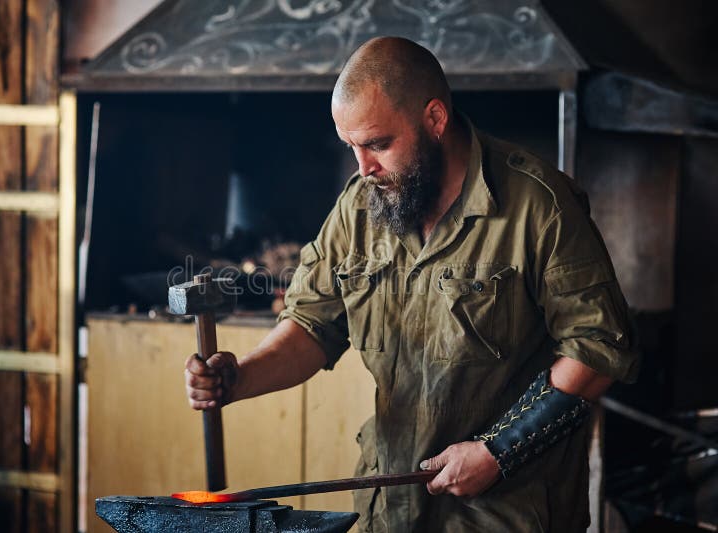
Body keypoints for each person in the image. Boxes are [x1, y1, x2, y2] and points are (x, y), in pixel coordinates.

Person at [185, 37, 639, 532]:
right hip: (390, 505)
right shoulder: (360, 206)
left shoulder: (538, 206)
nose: (364, 169)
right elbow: (312, 325)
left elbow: (597, 348)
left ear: (435, 119)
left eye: (378, 144)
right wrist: (239, 378)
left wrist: (499, 452)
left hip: (505, 512)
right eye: (352, 147)